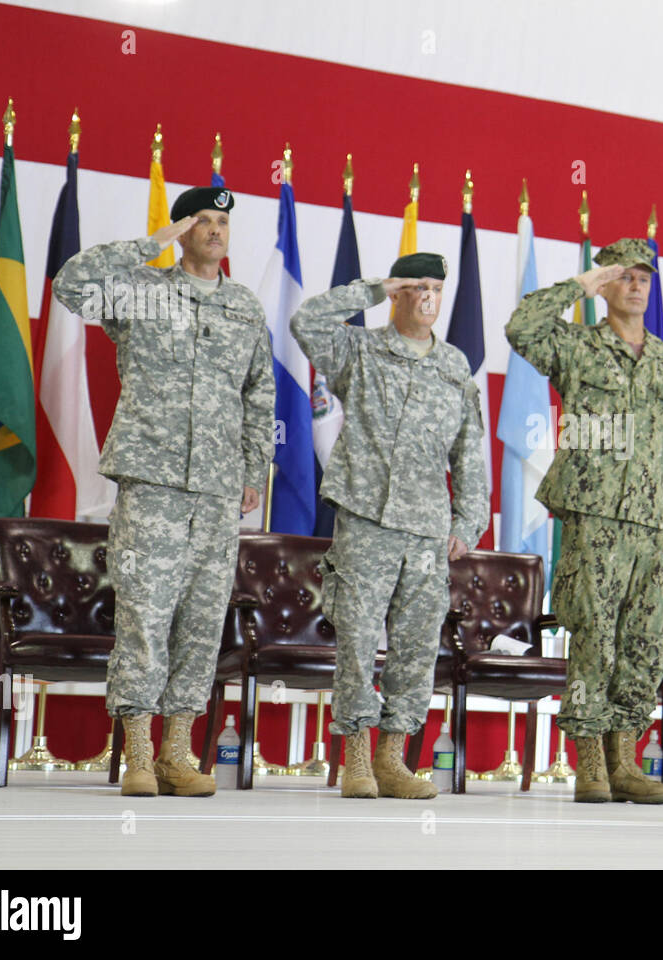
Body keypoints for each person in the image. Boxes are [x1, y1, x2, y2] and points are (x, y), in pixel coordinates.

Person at [53, 186, 274, 797]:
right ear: (183, 227)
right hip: (152, 478)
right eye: (202, 220)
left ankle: (179, 753)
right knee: (146, 614)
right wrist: (151, 246)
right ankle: (140, 755)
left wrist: (252, 470)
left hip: (217, 486)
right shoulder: (142, 293)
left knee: (201, 620)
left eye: (222, 221)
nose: (214, 230)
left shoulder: (245, 308)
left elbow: (259, 394)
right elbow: (70, 285)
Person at [506, 237, 663, 804]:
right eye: (623, 275)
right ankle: (589, 760)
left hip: (653, 527)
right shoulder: (577, 346)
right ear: (605, 284)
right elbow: (522, 328)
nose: (636, 284)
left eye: (644, 275)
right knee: (594, 636)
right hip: (595, 518)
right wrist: (577, 287)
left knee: (643, 644)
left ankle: (626, 761)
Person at [291, 253, 488, 800]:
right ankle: (355, 756)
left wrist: (468, 523)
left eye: (435, 288)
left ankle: (392, 758)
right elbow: (305, 322)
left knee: (417, 646)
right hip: (366, 518)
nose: (427, 296)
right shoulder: (360, 350)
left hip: (426, 527)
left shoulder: (454, 367)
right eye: (416, 286)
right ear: (400, 293)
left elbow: (471, 453)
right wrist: (373, 289)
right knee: (356, 641)